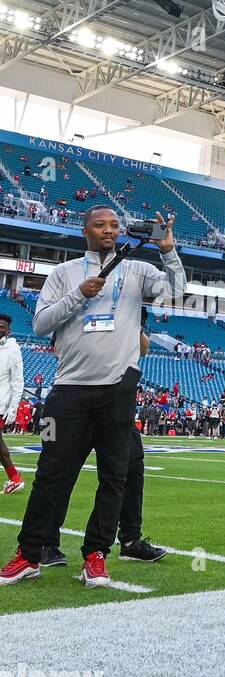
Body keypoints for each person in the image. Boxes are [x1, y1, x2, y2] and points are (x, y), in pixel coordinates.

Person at [2, 208, 183, 587]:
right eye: (101, 225)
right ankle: (29, 553)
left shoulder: (137, 270)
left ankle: (96, 555)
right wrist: (77, 295)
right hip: (67, 391)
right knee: (51, 474)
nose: (109, 230)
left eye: (115, 226)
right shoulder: (62, 273)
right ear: (85, 230)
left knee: (113, 476)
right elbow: (40, 323)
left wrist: (169, 251)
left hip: (117, 389)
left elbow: (175, 295)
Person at [42, 331, 166, 567]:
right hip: (78, 397)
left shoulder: (123, 307)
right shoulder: (81, 299)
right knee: (61, 472)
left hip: (116, 402)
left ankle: (130, 540)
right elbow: (59, 347)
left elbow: (144, 348)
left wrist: (134, 325)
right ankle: (46, 542)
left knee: (131, 468)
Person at [0, 312, 24, 494]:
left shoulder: (12, 349)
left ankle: (15, 477)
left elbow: (17, 381)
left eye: (2, 326)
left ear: (8, 330)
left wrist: (13, 409)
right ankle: (15, 477)